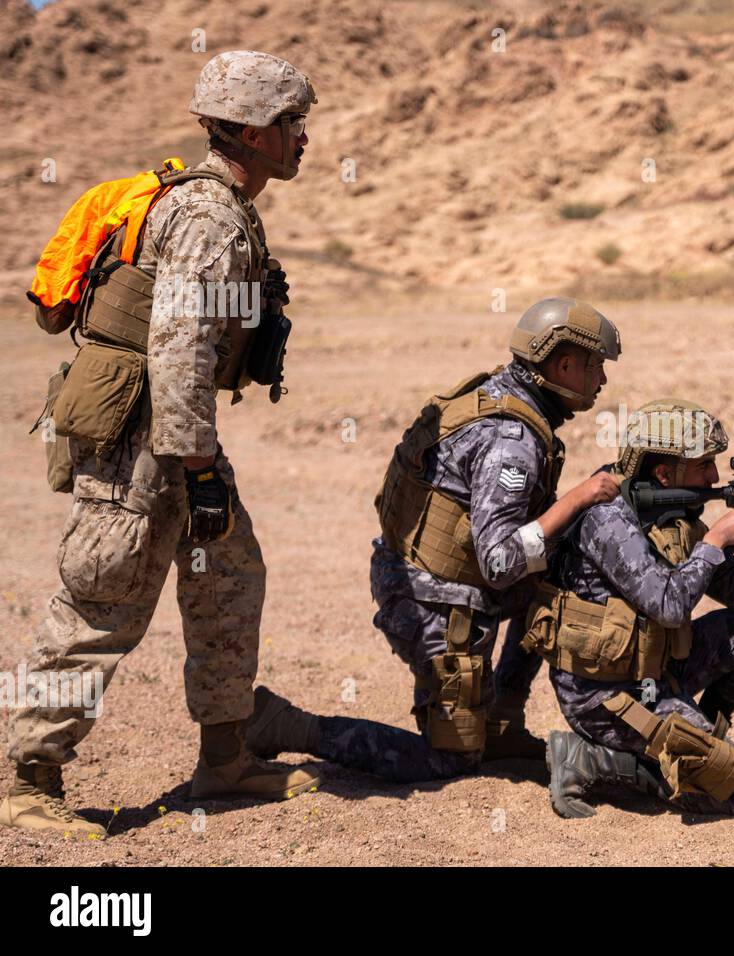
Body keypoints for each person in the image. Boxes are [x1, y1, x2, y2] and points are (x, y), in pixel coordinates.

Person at [2, 51, 322, 839]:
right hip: (146, 449)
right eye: (289, 123)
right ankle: (28, 779)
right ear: (249, 129)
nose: (302, 138)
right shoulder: (211, 216)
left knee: (229, 580)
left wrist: (200, 465)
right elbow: (180, 346)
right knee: (100, 603)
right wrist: (201, 465)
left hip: (173, 440)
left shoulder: (219, 205)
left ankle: (225, 758)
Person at [242, 299, 623, 782]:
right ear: (564, 364)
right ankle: (286, 726)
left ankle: (502, 720)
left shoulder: (497, 395)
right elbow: (501, 563)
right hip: (433, 604)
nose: (602, 380)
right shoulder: (512, 439)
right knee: (451, 761)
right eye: (595, 366)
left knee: (563, 571)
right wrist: (579, 499)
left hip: (430, 578)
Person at [530, 399, 734, 817]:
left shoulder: (672, 514)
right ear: (665, 473)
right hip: (605, 696)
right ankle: (592, 756)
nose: (715, 477)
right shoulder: (609, 521)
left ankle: (696, 734)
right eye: (704, 465)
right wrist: (715, 541)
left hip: (657, 669)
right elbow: (668, 606)